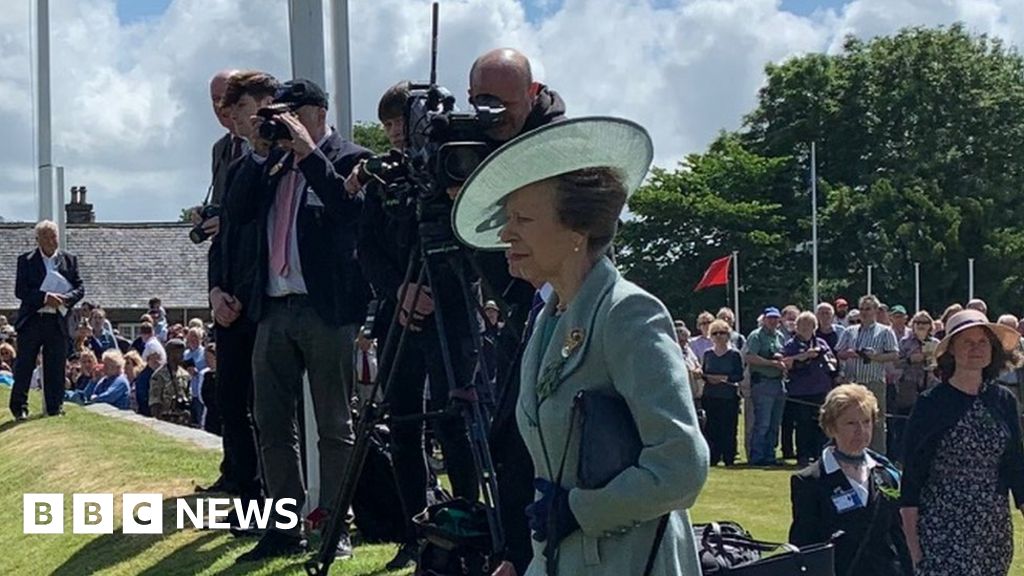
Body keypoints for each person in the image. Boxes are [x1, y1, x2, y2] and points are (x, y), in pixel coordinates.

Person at [453, 117, 709, 576]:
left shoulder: (628, 314)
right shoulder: (548, 316)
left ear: (576, 234)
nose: (507, 234)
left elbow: (682, 467)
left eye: (523, 219)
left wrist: (579, 511)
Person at [226, 77, 371, 563]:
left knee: (334, 422)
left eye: (289, 112)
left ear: (315, 112)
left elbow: (350, 214)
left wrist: (311, 155)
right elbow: (237, 212)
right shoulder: (273, 164)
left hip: (326, 311)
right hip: (275, 308)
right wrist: (261, 153)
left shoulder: (349, 158)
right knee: (271, 422)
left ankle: (334, 526)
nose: (281, 121)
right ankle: (285, 527)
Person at [352, 80, 482, 570]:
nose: (394, 133)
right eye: (387, 125)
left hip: (452, 313)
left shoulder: (455, 171)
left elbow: (475, 246)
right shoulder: (384, 181)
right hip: (398, 315)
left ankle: (468, 523)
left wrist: (438, 289)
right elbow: (367, 248)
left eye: (400, 122)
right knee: (402, 425)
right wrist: (399, 291)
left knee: (457, 421)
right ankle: (414, 532)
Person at [899, 309, 1024, 575]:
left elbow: (1015, 468)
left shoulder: (1003, 401)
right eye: (967, 342)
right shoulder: (931, 404)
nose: (976, 348)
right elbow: (911, 478)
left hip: (993, 530)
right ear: (951, 350)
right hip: (942, 529)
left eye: (982, 342)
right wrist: (913, 546)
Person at [201, 70, 276, 502]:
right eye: (215, 100)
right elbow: (225, 230)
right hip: (227, 289)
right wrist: (215, 291)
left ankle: (267, 490)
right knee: (229, 398)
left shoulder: (274, 153)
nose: (222, 109)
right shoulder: (223, 151)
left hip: (262, 292)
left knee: (264, 405)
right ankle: (238, 481)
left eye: (231, 101)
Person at [789, 384, 909, 575]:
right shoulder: (810, 481)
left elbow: (899, 537)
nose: (861, 430)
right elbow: (805, 547)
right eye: (851, 423)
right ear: (831, 427)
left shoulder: (886, 474)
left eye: (866, 422)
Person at [10, 220, 85, 420]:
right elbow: (21, 291)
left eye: (54, 237)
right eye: (47, 237)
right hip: (34, 320)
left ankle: (55, 407)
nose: (52, 241)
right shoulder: (26, 261)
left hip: (57, 321)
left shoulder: (69, 260)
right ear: (38, 240)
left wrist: (66, 299)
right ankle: (19, 407)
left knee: (56, 366)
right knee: (25, 365)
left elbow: (79, 288)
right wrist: (44, 298)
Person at [834, 295, 898, 454]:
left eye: (868, 309)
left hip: (873, 382)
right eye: (862, 309)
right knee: (849, 419)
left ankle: (877, 455)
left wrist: (875, 357)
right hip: (851, 382)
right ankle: (850, 451)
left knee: (876, 420)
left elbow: (894, 354)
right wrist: (848, 353)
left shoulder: (885, 332)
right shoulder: (850, 331)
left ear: (876, 310)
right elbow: (838, 353)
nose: (864, 313)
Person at [783, 312, 836, 466]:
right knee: (803, 425)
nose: (806, 328)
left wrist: (824, 357)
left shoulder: (821, 342)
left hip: (820, 390)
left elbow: (832, 362)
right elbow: (785, 362)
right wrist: (805, 356)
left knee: (820, 425)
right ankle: (803, 456)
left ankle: (820, 455)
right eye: (803, 325)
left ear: (814, 326)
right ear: (797, 327)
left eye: (810, 324)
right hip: (800, 392)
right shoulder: (791, 344)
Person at [889, 311, 938, 461]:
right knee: (905, 421)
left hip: (930, 385)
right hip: (908, 386)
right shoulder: (904, 342)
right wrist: (911, 359)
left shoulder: (936, 343)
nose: (921, 326)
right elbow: (897, 362)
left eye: (925, 323)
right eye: (918, 323)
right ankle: (903, 457)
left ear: (930, 325)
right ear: (913, 324)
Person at [745, 307, 788, 466]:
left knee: (775, 423)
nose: (773, 321)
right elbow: (749, 357)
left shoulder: (780, 336)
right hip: (763, 382)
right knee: (763, 423)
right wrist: (771, 363)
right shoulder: (756, 336)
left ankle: (770, 455)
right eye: (770, 318)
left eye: (776, 318)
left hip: (779, 383)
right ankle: (757, 456)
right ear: (764, 319)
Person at [701, 319, 743, 466]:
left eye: (722, 333)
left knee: (729, 428)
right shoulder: (708, 354)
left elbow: (739, 375)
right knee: (711, 428)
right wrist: (709, 378)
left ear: (728, 334)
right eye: (715, 333)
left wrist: (724, 378)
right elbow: (704, 372)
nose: (718, 336)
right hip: (710, 396)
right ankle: (713, 457)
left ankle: (728, 457)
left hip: (728, 397)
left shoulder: (734, 354)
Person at [148, 339, 192, 425]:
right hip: (165, 419)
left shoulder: (185, 375)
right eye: (179, 353)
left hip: (182, 420)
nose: (182, 356)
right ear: (170, 353)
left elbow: (188, 396)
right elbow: (154, 402)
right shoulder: (159, 376)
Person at [200, 343, 221, 435]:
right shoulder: (206, 375)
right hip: (210, 412)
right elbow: (203, 395)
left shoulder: (223, 374)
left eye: (209, 357)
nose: (207, 360)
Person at [135, 346, 160, 417]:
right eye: (154, 359)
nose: (157, 361)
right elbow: (142, 396)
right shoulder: (143, 376)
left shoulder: (158, 373)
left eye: (158, 358)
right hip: (146, 410)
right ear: (148, 360)